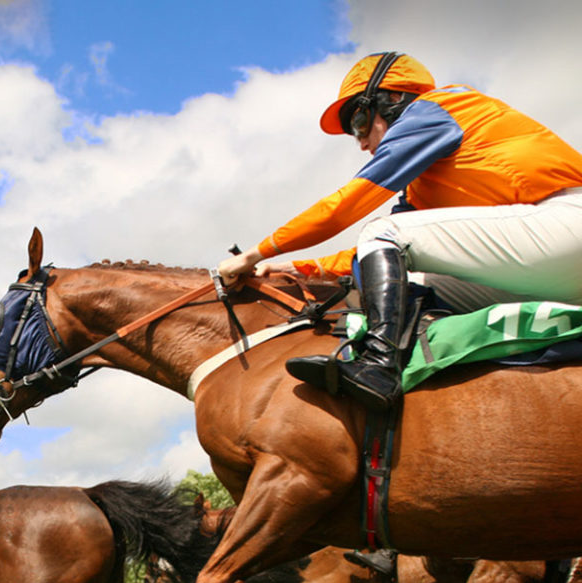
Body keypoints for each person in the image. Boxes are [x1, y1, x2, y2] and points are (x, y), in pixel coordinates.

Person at [218, 51, 582, 412]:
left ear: (393, 99)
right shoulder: (424, 185)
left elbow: (349, 206)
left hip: (568, 221)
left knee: (383, 230)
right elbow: (372, 256)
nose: (360, 142)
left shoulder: (434, 109)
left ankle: (379, 366)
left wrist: (257, 253)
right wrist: (300, 269)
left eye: (359, 122)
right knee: (404, 282)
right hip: (551, 259)